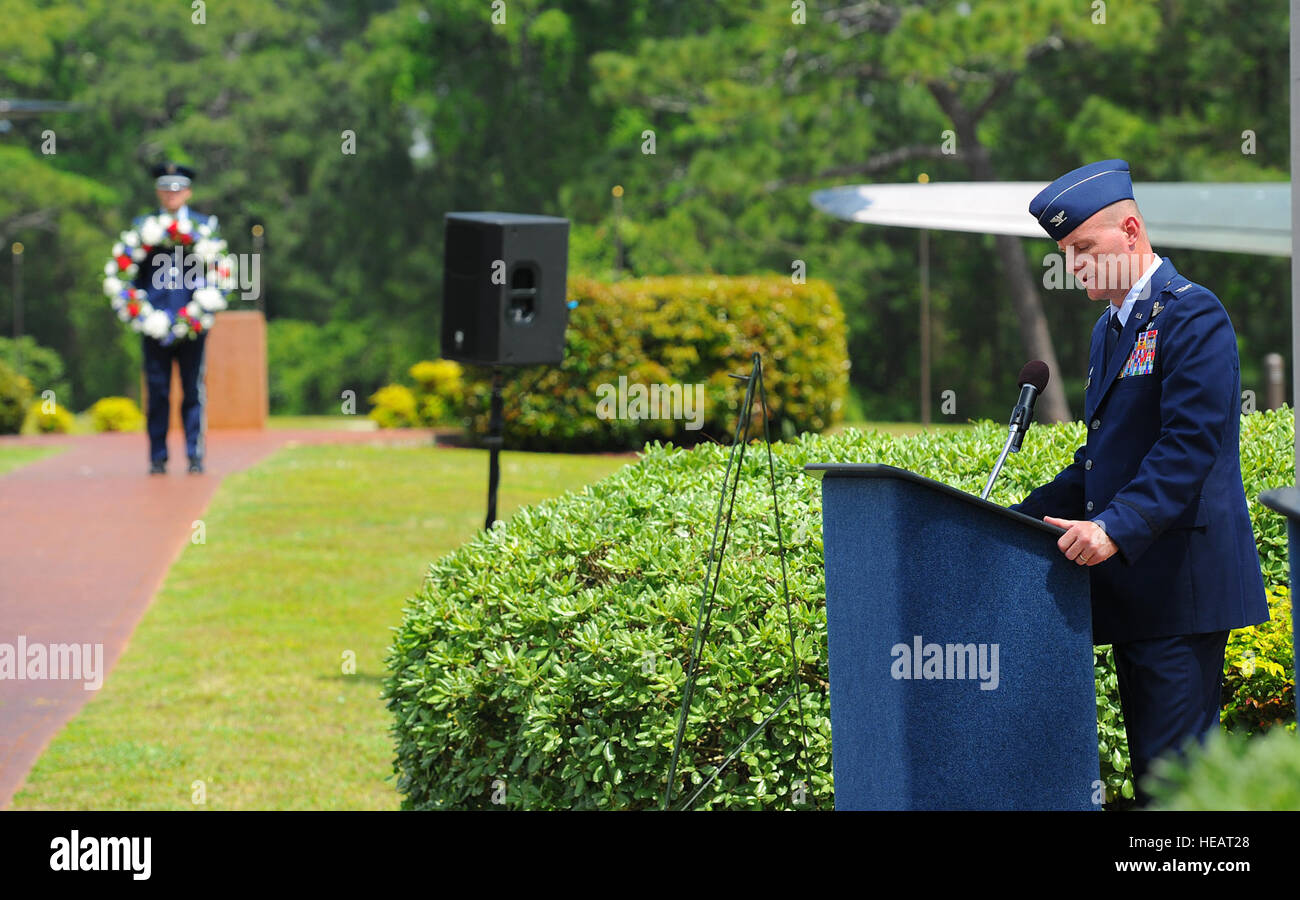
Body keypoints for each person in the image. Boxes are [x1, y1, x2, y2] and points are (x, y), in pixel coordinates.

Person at [1009, 158, 1269, 806]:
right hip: (1139, 591)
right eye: (1067, 255)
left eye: (1084, 248)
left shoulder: (1193, 315)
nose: (1075, 266)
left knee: (1176, 787)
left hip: (1181, 588)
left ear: (1130, 231)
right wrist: (1008, 521)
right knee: (1161, 779)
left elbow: (1188, 446)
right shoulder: (1111, 328)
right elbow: (1101, 460)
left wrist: (1112, 528)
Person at [136, 162, 216, 475]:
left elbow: (216, 271)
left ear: (188, 192)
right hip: (153, 322)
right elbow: (131, 274)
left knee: (193, 390)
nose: (172, 194)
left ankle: (195, 454)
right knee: (157, 391)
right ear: (158, 192)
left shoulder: (204, 227)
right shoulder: (143, 227)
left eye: (177, 188)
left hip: (192, 322)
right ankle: (157, 457)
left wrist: (202, 307)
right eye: (166, 188)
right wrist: (141, 310)